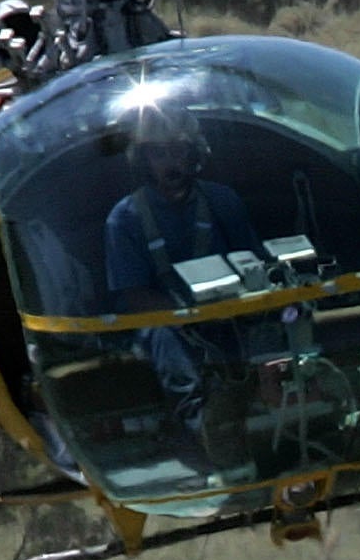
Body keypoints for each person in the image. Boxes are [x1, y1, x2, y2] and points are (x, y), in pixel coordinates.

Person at [99, 104, 264, 458]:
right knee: (163, 338)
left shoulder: (222, 201)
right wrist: (186, 312)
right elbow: (134, 296)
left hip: (229, 308)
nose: (170, 162)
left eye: (178, 151)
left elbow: (253, 263)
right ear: (143, 160)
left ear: (194, 155)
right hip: (167, 321)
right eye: (159, 154)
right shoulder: (125, 219)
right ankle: (204, 421)